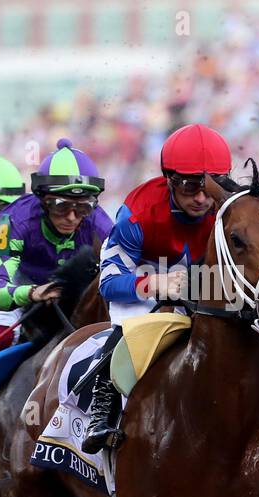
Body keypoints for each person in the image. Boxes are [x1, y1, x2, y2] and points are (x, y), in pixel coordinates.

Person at [82, 124, 233, 453]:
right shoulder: (138, 213)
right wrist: (156, 284)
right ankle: (102, 407)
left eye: (211, 187)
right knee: (131, 326)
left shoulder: (226, 210)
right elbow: (109, 284)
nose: (202, 198)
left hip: (198, 283)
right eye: (191, 187)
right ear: (171, 180)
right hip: (141, 282)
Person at [0, 142, 110, 358]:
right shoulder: (10, 220)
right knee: (1, 337)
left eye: (83, 207)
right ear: (42, 200)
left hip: (73, 293)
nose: (72, 217)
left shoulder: (100, 223)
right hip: (20, 290)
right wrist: (32, 292)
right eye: (61, 206)